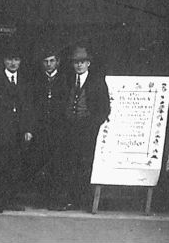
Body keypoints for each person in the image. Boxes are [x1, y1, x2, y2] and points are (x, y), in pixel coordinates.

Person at [56, 44, 110, 212]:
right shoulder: (67, 79)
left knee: (85, 164)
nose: (79, 65)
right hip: (69, 128)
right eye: (76, 62)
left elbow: (104, 108)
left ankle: (82, 200)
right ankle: (68, 200)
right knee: (68, 164)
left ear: (88, 64)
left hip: (87, 130)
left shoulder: (97, 82)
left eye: (82, 62)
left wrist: (93, 125)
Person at [0, 41, 35, 214]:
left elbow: (29, 107)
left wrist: (28, 129)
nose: (13, 63)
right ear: (4, 61)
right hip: (0, 130)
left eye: (16, 60)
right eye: (10, 60)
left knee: (16, 166)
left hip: (18, 131)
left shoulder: (25, 81)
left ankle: (12, 200)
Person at [30, 45, 71, 210]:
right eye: (46, 61)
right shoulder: (37, 80)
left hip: (58, 129)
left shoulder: (66, 79)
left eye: (52, 61)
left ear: (58, 62)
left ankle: (56, 200)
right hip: (41, 129)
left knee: (57, 164)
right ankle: (42, 198)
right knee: (40, 163)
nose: (48, 64)